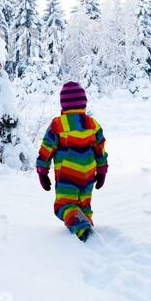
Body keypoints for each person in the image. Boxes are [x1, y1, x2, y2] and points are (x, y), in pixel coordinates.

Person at [35, 80, 107, 242]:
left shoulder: (58, 125)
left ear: (64, 104)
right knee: (84, 204)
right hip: (88, 175)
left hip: (67, 176)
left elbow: (46, 150)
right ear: (84, 103)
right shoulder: (92, 124)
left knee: (64, 205)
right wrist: (102, 171)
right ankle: (87, 223)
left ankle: (83, 230)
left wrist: (42, 171)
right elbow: (100, 150)